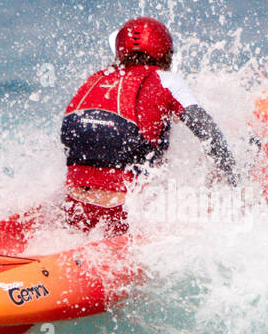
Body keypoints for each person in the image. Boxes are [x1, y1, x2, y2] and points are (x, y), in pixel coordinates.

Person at [59, 17, 236, 235]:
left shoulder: (95, 79)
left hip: (75, 207)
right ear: (165, 53)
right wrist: (233, 184)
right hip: (127, 212)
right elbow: (209, 134)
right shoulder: (166, 80)